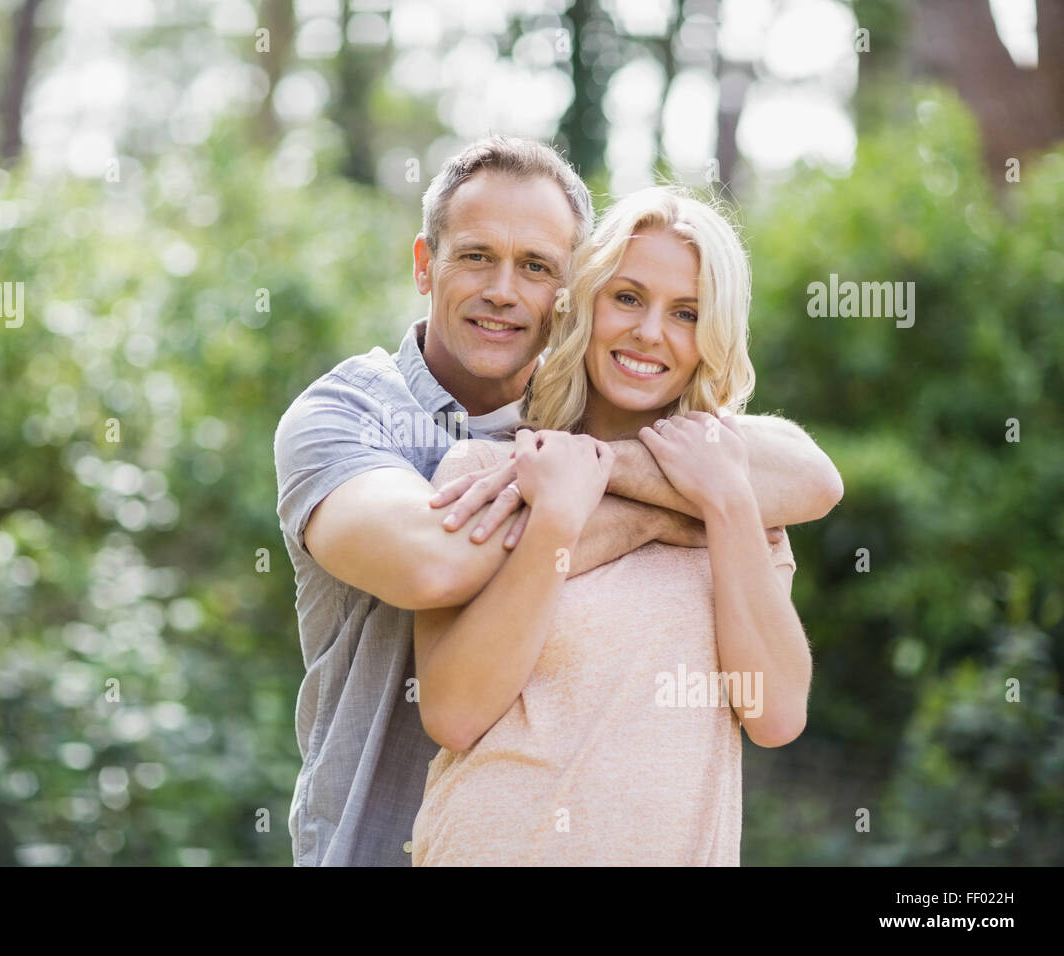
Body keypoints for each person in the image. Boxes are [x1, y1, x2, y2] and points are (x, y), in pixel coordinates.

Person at [273, 138, 843, 867]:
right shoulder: (380, 425)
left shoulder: (724, 486)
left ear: (566, 288)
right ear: (426, 264)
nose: (505, 291)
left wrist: (701, 494)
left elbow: (815, 484)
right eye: (476, 255)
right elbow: (435, 577)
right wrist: (624, 510)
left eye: (537, 266)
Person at [410, 186, 818, 866]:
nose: (649, 332)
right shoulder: (490, 473)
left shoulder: (743, 504)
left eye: (686, 312)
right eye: (627, 297)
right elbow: (452, 713)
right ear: (587, 301)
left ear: (712, 335)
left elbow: (775, 716)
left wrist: (727, 505)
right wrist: (555, 526)